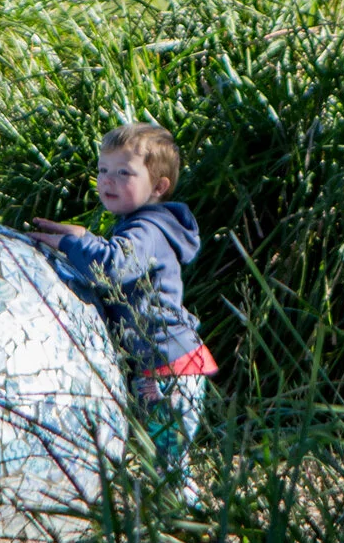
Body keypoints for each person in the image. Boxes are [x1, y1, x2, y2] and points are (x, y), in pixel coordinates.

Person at [28, 122, 216, 467]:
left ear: (159, 186)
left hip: (167, 366)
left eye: (123, 173)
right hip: (157, 365)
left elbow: (115, 265)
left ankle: (184, 516)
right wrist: (82, 237)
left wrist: (74, 243)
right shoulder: (137, 224)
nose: (107, 180)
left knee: (169, 462)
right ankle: (167, 511)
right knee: (157, 457)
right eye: (103, 170)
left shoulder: (149, 230)